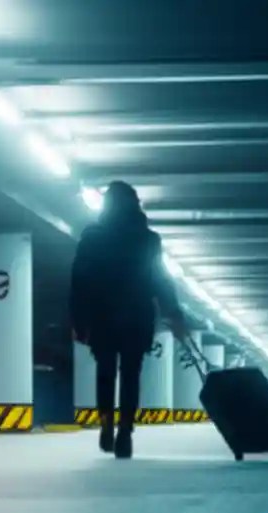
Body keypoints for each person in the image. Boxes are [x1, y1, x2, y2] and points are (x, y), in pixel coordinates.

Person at [70, 181, 185, 459]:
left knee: (106, 372)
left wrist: (78, 319)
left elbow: (79, 279)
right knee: (131, 374)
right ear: (136, 205)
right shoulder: (148, 239)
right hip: (136, 316)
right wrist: (173, 312)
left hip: (103, 316)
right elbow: (159, 278)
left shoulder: (93, 236)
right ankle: (125, 432)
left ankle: (107, 423)